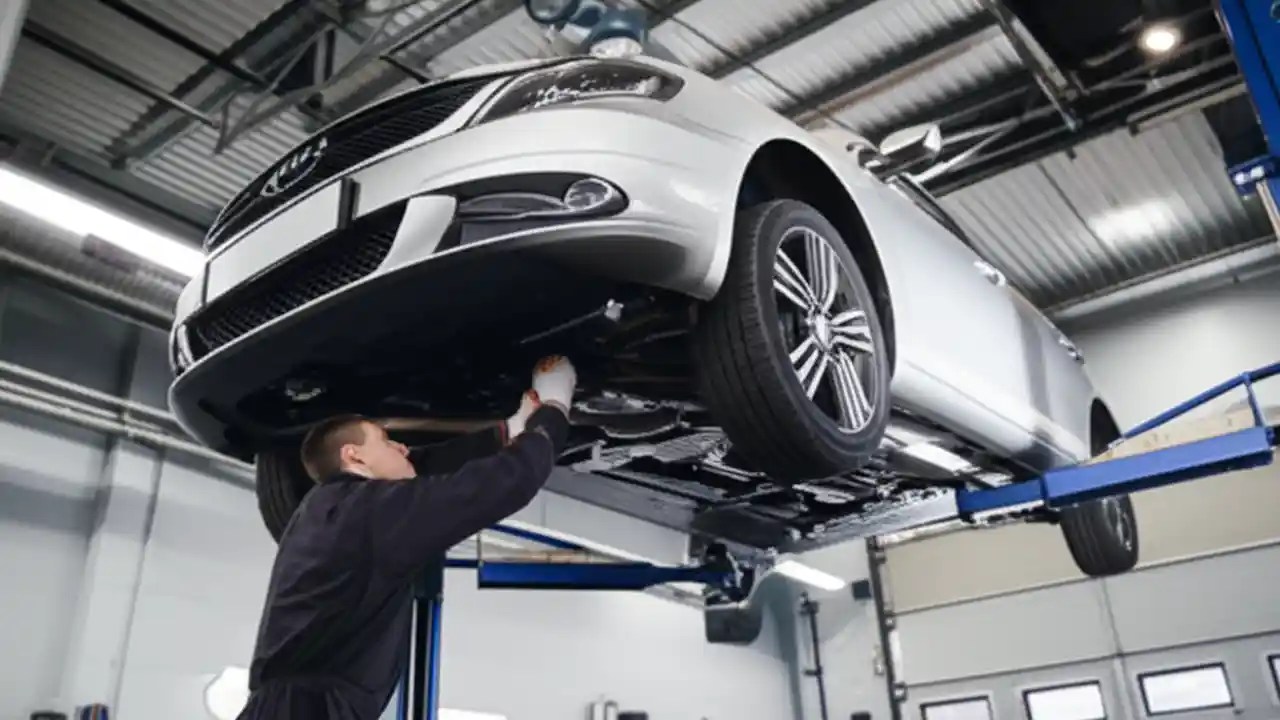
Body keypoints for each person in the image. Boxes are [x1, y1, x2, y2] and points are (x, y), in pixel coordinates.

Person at [235, 355, 578, 720]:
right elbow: (497, 483)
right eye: (387, 441)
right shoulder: (366, 511)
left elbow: (428, 472)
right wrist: (553, 410)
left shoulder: (334, 508)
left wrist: (516, 427)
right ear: (354, 456)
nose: (401, 447)